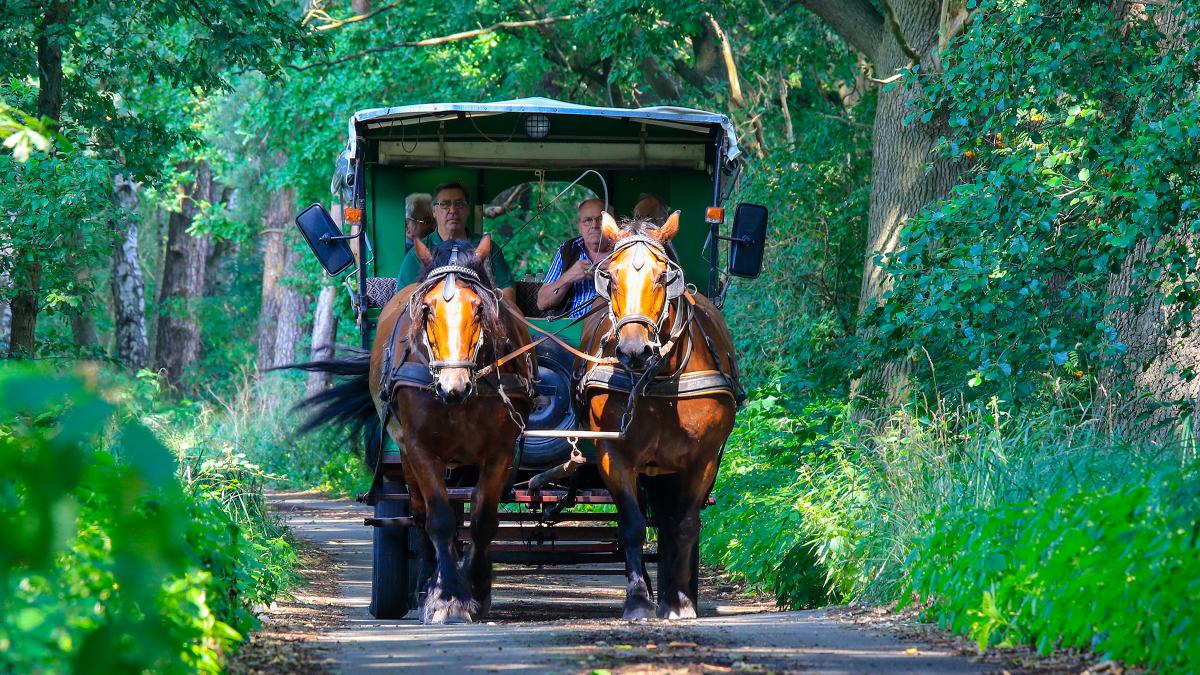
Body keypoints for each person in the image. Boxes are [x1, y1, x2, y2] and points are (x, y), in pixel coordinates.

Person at [396, 182, 517, 305]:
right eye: (445, 204)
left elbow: (507, 291)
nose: (453, 210)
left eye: (459, 204)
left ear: (468, 210)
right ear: (434, 211)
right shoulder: (419, 252)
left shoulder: (488, 248)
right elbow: (401, 299)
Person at [537, 198, 612, 318]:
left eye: (600, 219)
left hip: (612, 328)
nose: (594, 225)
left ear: (612, 224)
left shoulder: (624, 252)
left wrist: (618, 272)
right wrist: (568, 277)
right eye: (587, 220)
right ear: (579, 227)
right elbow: (542, 303)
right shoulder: (568, 249)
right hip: (570, 327)